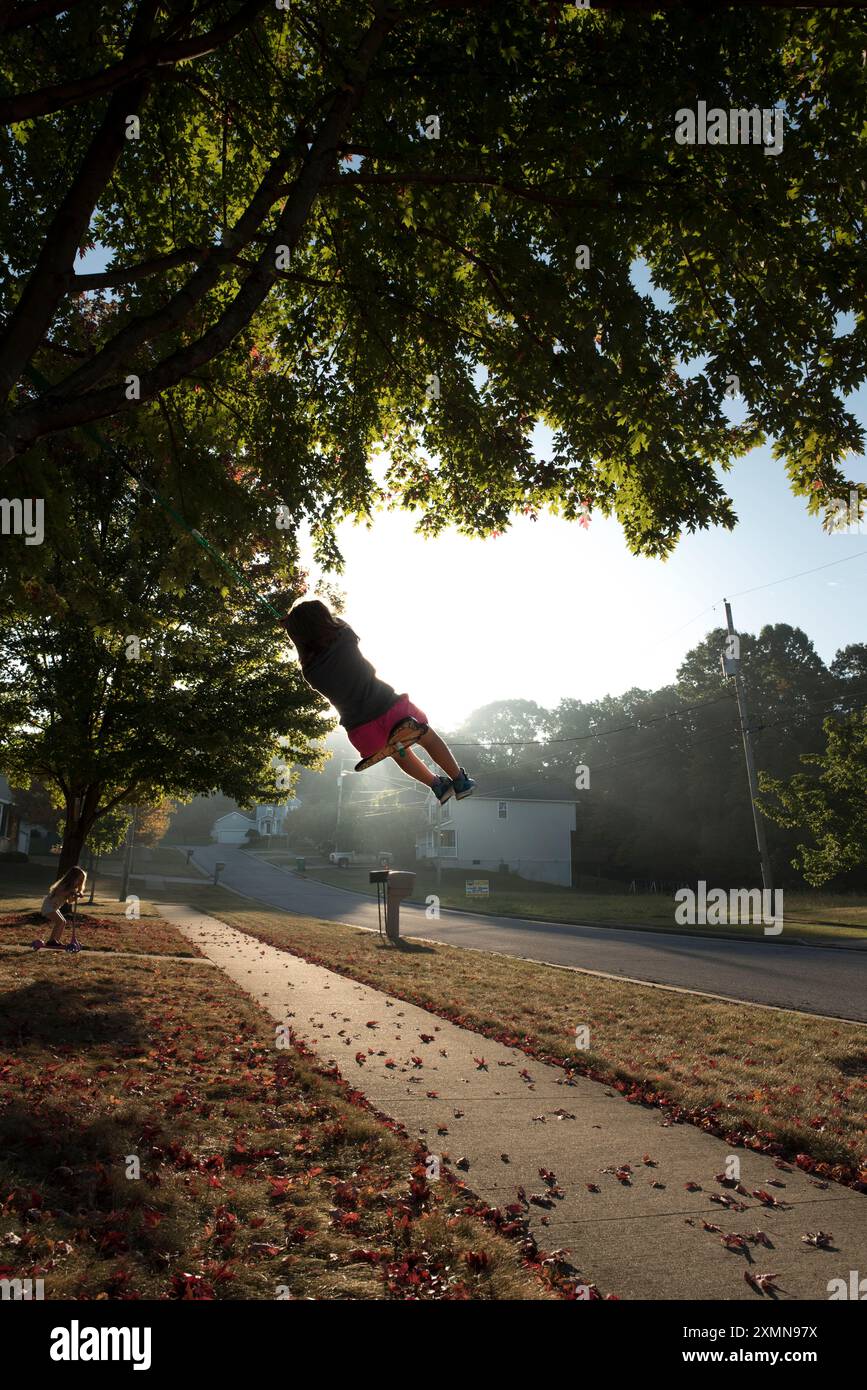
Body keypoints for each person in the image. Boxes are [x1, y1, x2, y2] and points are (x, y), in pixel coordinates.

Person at [280, 599, 475, 803]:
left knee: (398, 750)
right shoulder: (344, 637)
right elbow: (337, 623)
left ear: (297, 636)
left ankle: (437, 786)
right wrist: (295, 621)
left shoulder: (309, 671)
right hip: (391, 710)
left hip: (362, 734)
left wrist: (294, 626)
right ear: (325, 619)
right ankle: (460, 781)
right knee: (427, 736)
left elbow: (318, 634)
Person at [32, 864, 87, 951]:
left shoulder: (72, 888)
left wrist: (76, 896)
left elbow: (70, 901)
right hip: (49, 906)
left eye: (81, 881)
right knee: (60, 921)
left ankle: (55, 940)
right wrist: (71, 892)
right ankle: (52, 941)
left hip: (54, 907)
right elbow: (61, 892)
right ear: (73, 878)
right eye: (78, 879)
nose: (79, 882)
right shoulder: (64, 885)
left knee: (63, 922)